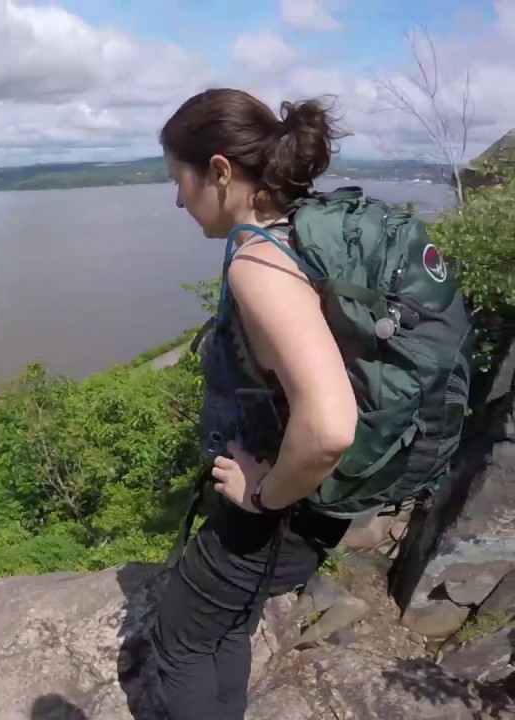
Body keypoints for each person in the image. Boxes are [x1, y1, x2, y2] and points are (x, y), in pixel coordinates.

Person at [149, 88, 360, 719]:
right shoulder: (305, 233)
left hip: (282, 503)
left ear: (217, 171)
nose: (178, 200)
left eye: (179, 181)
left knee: (182, 638)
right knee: (229, 624)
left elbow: (328, 426)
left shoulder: (259, 261)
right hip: (323, 504)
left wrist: (262, 494)